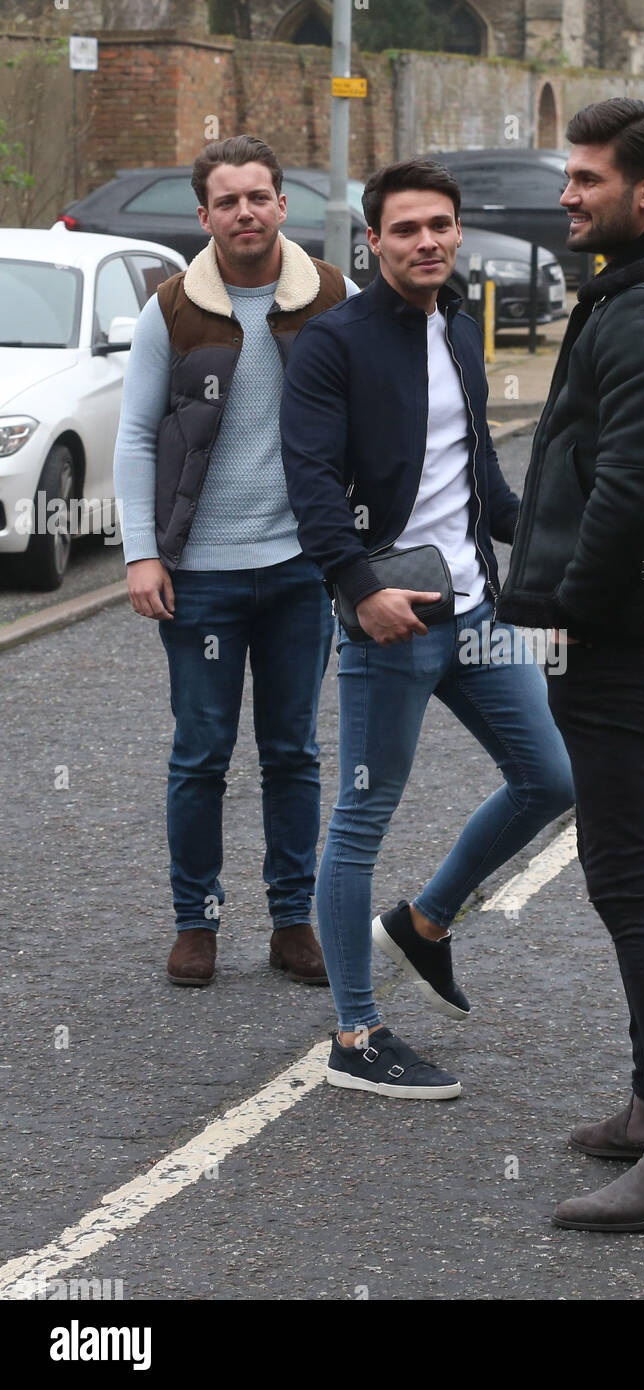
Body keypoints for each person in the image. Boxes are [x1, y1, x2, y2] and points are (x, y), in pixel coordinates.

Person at [279, 158, 575, 1100]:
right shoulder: (334, 344)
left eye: (440, 224)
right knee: (362, 820)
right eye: (405, 229)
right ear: (374, 241)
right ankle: (355, 1035)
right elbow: (310, 482)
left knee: (552, 777)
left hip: (474, 607)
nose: (427, 241)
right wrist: (356, 588)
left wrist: (547, 539)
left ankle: (428, 920)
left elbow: (476, 468)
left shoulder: (459, 324)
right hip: (391, 619)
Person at [497, 99, 644, 1232]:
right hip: (642, 627)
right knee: (625, 875)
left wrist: (564, 616)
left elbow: (629, 499)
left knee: (630, 883)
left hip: (628, 639)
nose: (567, 193)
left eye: (588, 178)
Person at [114, 134, 359, 987]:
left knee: (293, 751)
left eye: (259, 197)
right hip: (202, 575)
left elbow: (376, 412)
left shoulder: (332, 295)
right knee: (201, 755)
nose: (246, 212)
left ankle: (294, 922)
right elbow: (138, 436)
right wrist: (142, 554)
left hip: (300, 569)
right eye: (228, 201)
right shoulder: (172, 308)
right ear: (204, 215)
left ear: (284, 205)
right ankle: (198, 922)